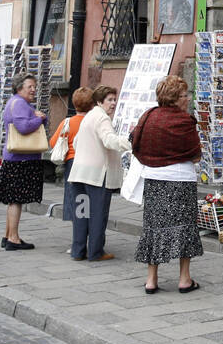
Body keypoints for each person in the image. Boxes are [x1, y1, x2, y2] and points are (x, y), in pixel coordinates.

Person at [132, 75, 203, 294]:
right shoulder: (185, 121)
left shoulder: (148, 117)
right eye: (184, 95)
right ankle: (184, 278)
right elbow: (196, 155)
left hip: (154, 179)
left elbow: (136, 142)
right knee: (185, 228)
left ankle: (151, 279)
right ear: (175, 98)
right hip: (181, 179)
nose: (187, 99)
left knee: (154, 227)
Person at [69, 85, 131, 262]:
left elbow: (76, 143)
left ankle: (78, 251)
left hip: (79, 172)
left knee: (82, 214)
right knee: (97, 214)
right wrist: (130, 142)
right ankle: (96, 252)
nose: (113, 103)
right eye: (109, 100)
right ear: (99, 101)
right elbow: (109, 140)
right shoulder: (102, 118)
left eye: (114, 99)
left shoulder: (88, 116)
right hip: (97, 175)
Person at [0, 73, 47, 251]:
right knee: (16, 199)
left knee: (13, 199)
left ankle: (8, 235)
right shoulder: (19, 103)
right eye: (30, 87)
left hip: (18, 158)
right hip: (20, 159)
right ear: (19, 88)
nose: (34, 90)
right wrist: (39, 118)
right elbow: (23, 128)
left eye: (34, 86)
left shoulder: (18, 102)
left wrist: (38, 117)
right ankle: (13, 238)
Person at [52, 87, 94, 241]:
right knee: (88, 199)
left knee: (74, 199)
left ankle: (77, 240)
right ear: (92, 105)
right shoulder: (92, 122)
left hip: (71, 163)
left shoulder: (67, 122)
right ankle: (89, 237)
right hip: (90, 164)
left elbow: (53, 142)